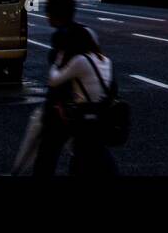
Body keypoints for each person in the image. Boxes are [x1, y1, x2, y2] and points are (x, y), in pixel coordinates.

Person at [46, 26, 118, 176]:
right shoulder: (105, 60)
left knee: (81, 156)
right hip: (102, 112)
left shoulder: (81, 60)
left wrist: (58, 60)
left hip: (85, 115)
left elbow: (54, 80)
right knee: (97, 152)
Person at [33, 0, 90, 175]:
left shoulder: (62, 37)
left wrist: (54, 105)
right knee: (86, 152)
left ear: (53, 14)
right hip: (88, 103)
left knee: (47, 154)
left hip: (65, 105)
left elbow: (58, 77)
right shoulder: (84, 32)